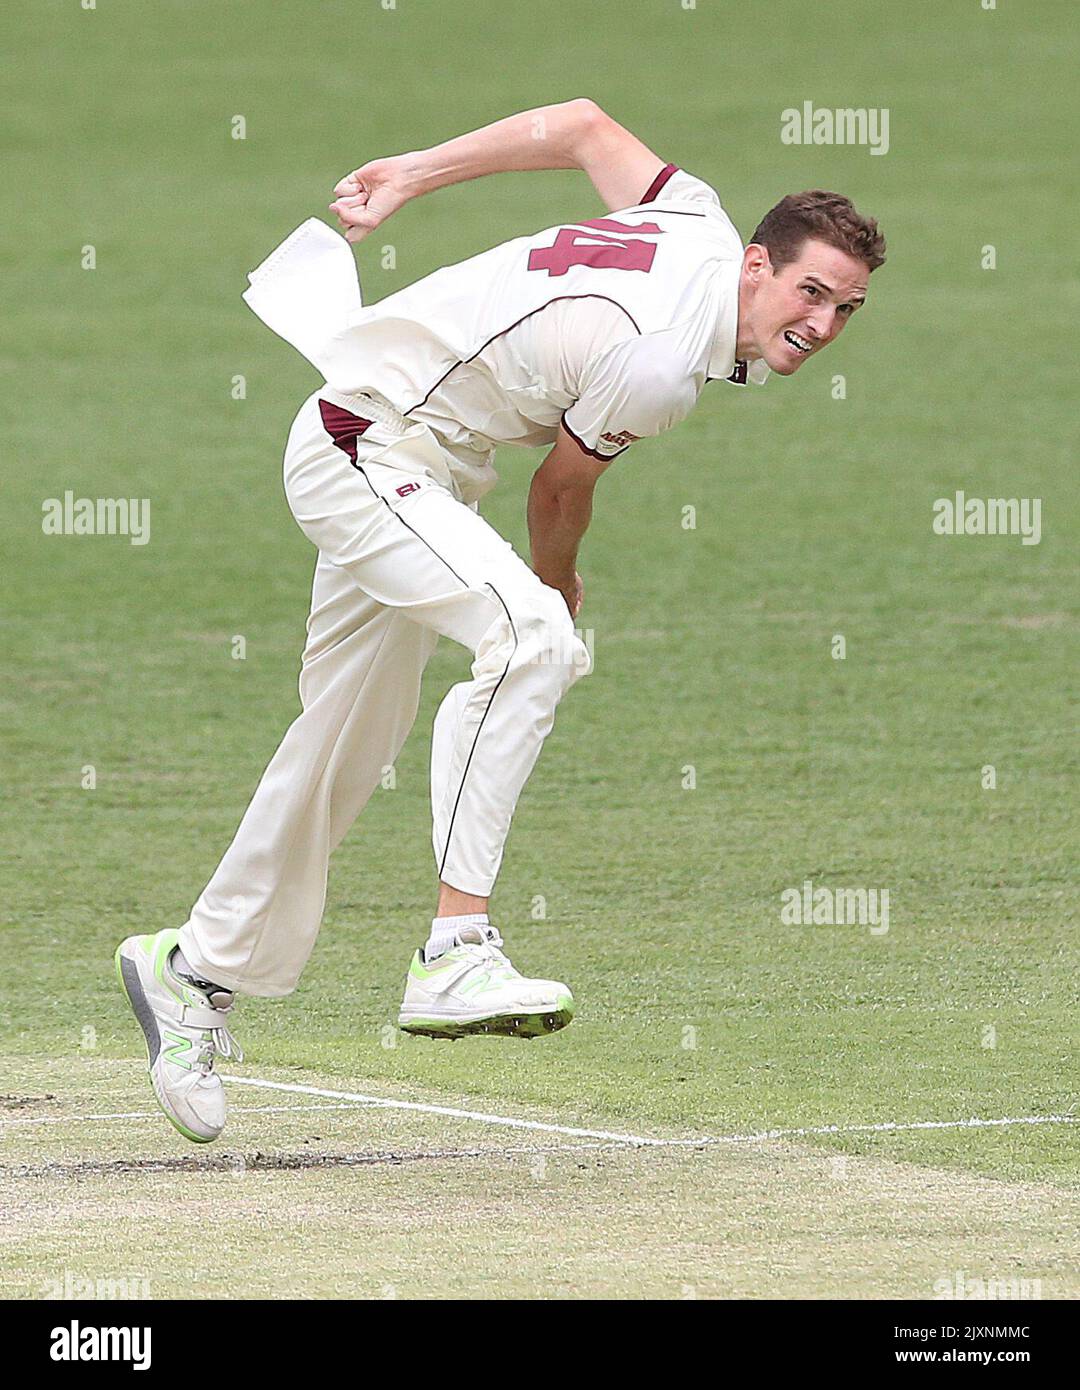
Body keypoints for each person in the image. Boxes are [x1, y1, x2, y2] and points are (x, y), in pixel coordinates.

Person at [116, 99, 886, 1143]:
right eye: (812, 293)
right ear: (757, 265)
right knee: (531, 638)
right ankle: (454, 948)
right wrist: (556, 586)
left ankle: (191, 973)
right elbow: (560, 494)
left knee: (347, 740)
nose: (825, 325)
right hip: (368, 450)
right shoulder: (661, 362)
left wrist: (413, 172)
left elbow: (579, 125)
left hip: (410, 462)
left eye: (846, 308)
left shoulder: (695, 217)